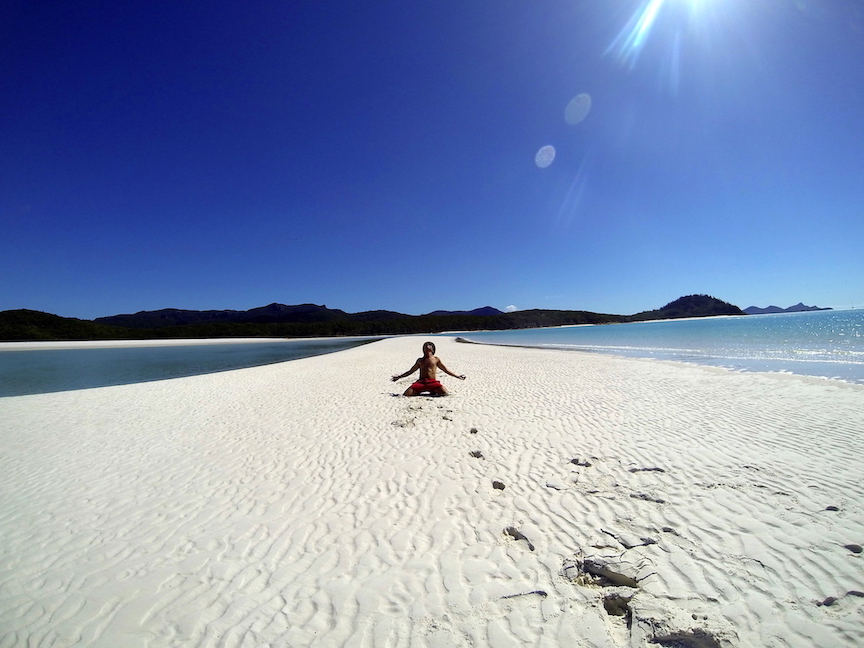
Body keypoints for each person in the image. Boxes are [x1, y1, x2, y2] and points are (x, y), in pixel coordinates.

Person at [391, 341, 466, 396]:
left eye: (429, 345)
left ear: (432, 349)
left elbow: (446, 370)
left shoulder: (436, 359)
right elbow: (410, 371)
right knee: (406, 394)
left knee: (445, 393)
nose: (427, 346)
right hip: (421, 382)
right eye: (425, 346)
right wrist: (399, 377)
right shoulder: (420, 360)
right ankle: (421, 391)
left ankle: (432, 390)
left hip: (432, 382)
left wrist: (458, 376)